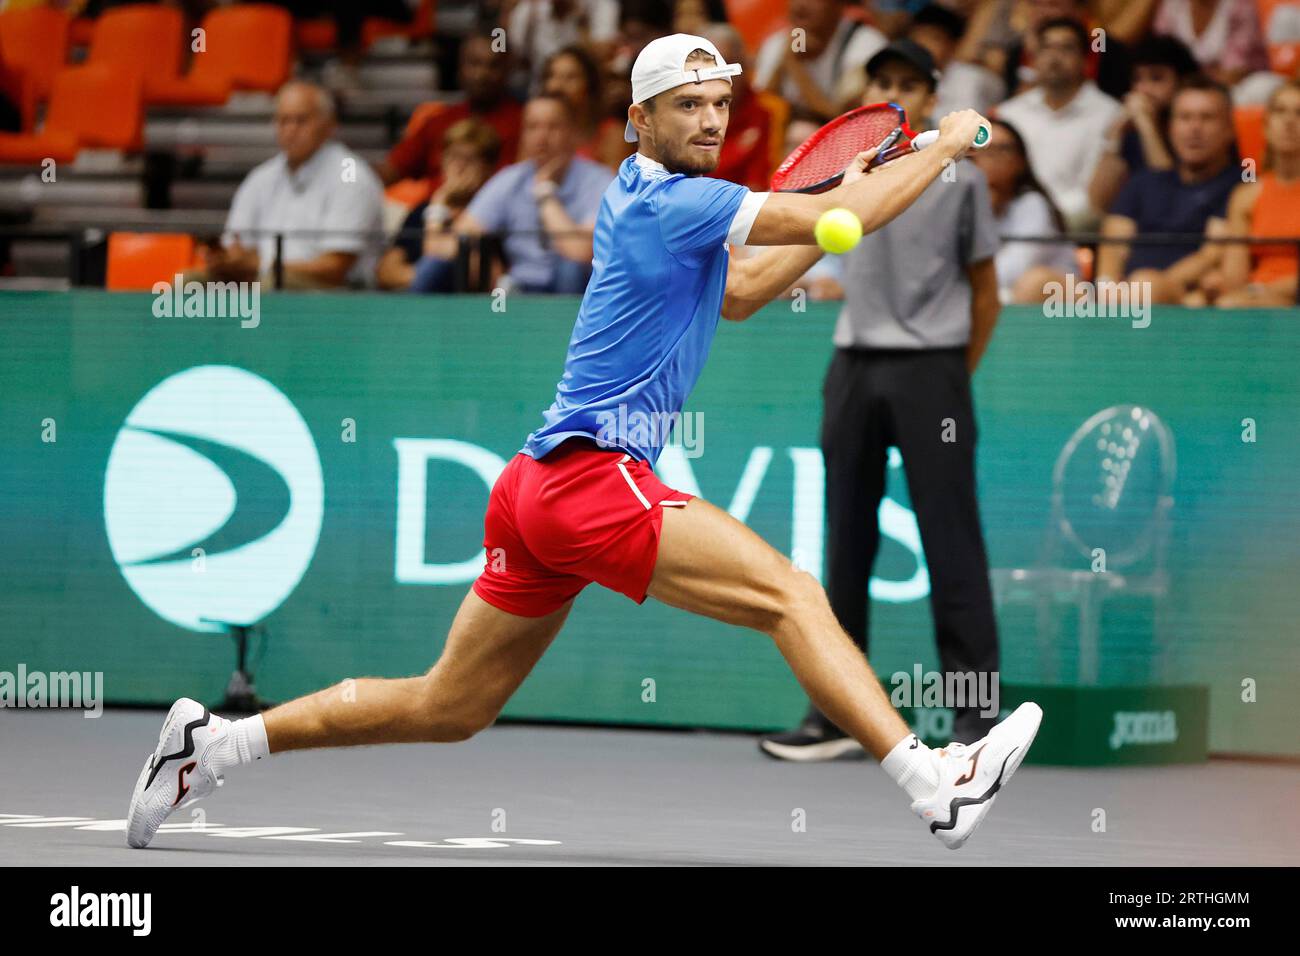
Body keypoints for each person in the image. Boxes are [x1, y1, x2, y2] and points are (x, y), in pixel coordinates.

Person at [125, 33, 1041, 855]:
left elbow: (745, 288)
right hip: (593, 478)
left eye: (721, 101)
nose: (713, 118)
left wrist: (837, 202)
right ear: (639, 118)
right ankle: (937, 783)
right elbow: (858, 219)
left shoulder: (655, 200)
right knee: (790, 597)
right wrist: (952, 142)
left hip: (534, 487)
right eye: (688, 105)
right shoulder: (678, 201)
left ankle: (215, 743)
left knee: (450, 706)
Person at [761, 39, 1005, 760]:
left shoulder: (964, 180)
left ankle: (975, 720)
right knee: (845, 548)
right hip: (853, 368)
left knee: (952, 545)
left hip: (933, 373)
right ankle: (834, 716)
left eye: (911, 84)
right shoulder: (849, 174)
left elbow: (986, 291)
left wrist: (953, 374)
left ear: (930, 97)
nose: (898, 93)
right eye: (884, 82)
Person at [206, 81, 384, 289]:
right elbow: (238, 245)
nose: (290, 130)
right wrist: (228, 260)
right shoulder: (261, 177)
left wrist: (261, 265)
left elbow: (335, 268)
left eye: (301, 121)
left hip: (338, 294)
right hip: (263, 280)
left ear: (329, 126)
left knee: (273, 284)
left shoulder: (351, 174)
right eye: (283, 121)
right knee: (189, 283)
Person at [1096, 75, 1240, 303]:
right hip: (1124, 297)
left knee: (1146, 286)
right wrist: (1108, 290)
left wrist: (1149, 287)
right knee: (1040, 283)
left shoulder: (1239, 186)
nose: (1194, 128)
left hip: (1182, 297)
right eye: (1185, 118)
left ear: (1229, 129)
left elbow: (1211, 255)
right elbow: (1113, 244)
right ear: (1170, 127)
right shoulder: (1143, 181)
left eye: (1207, 118)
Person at [455, 94, 615, 293]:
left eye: (553, 127)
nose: (542, 137)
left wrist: (545, 193)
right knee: (437, 265)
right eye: (533, 127)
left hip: (576, 290)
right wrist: (485, 264)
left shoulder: (600, 179)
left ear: (573, 133)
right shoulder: (511, 178)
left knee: (570, 268)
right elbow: (461, 236)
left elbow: (581, 252)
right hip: (517, 288)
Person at [995, 17, 1122, 229]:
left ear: (1085, 60)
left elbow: (1094, 201)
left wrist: (1046, 217)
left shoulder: (1110, 114)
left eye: (1066, 48)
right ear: (1034, 59)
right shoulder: (1008, 113)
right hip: (1011, 222)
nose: (1054, 57)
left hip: (1075, 227)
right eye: (1046, 48)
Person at [379, 34, 523, 190]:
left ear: (508, 69)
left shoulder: (525, 123)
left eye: (493, 65)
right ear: (460, 68)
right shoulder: (440, 121)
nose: (482, 74)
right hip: (435, 208)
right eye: (474, 63)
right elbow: (391, 169)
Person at [1204, 78, 1300, 307]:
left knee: (1230, 306)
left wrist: (1257, 291)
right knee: (1202, 302)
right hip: (1252, 298)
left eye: (1299, 112)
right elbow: (1234, 276)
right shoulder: (1245, 195)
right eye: (1280, 111)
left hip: (1284, 298)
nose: (1289, 121)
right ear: (1265, 126)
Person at [375, 118, 501, 292]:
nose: (459, 167)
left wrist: (439, 205)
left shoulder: (494, 212)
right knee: (433, 267)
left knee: (436, 265)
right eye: (453, 157)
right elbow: (386, 272)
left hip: (475, 309)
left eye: (469, 159)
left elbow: (487, 277)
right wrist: (422, 275)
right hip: (423, 303)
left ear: (488, 168)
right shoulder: (421, 211)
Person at [1088, 33, 1200, 214]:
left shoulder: (1193, 130)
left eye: (1156, 78)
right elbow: (1098, 203)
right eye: (1137, 79)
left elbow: (1170, 196)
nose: (1143, 89)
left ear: (1182, 82)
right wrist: (1115, 135)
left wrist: (1147, 126)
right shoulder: (1131, 135)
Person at [971, 118, 1075, 302]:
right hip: (997, 295)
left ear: (1020, 161)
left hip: (1060, 301)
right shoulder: (964, 202)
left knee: (1032, 283)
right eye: (984, 148)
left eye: (1002, 149)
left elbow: (1015, 268)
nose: (992, 157)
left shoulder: (1032, 203)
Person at [753, 0, 886, 122]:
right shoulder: (776, 44)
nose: (801, 5)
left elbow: (844, 119)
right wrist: (782, 63)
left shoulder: (866, 45)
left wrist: (794, 64)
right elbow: (760, 113)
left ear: (839, 5)